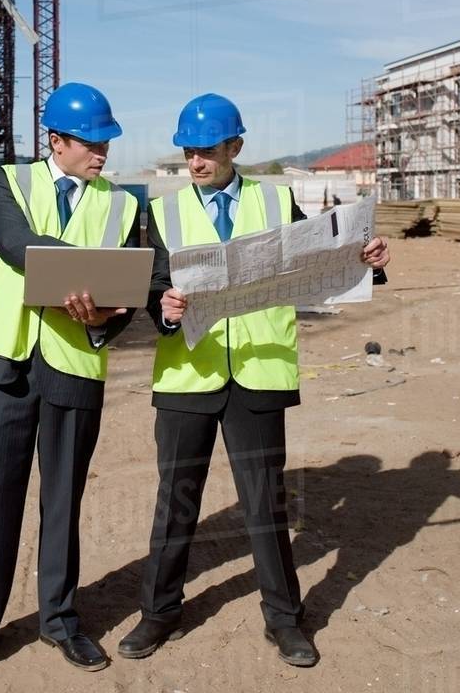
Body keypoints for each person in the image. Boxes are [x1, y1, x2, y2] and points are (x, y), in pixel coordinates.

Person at [118, 93, 389, 669]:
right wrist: (163, 308)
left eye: (207, 151)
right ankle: (160, 612)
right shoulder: (163, 212)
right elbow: (151, 288)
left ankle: (285, 620)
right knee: (176, 501)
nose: (195, 162)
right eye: (188, 151)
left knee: (265, 504)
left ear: (235, 147)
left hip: (259, 372)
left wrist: (368, 257)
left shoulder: (275, 199)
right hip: (189, 373)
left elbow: (320, 260)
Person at [0, 82, 140, 692]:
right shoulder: (8, 182)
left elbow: (129, 287)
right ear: (56, 140)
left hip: (76, 367)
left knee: (63, 504)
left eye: (108, 142)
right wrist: (84, 274)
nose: (104, 152)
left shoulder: (124, 206)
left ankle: (59, 618)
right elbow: (17, 247)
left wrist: (107, 316)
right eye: (93, 142)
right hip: (11, 367)